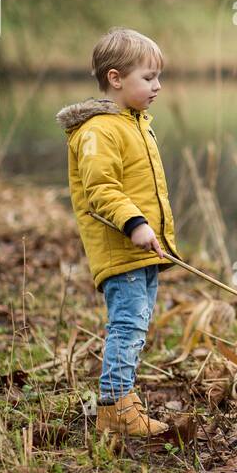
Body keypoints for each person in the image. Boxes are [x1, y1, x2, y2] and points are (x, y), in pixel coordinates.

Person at [55, 26, 181, 437]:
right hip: (121, 248)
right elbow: (101, 190)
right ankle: (115, 408)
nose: (157, 86)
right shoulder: (98, 131)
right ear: (115, 78)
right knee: (127, 324)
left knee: (138, 323)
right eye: (148, 78)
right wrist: (136, 224)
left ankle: (123, 401)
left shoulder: (136, 123)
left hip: (142, 248)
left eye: (157, 77)